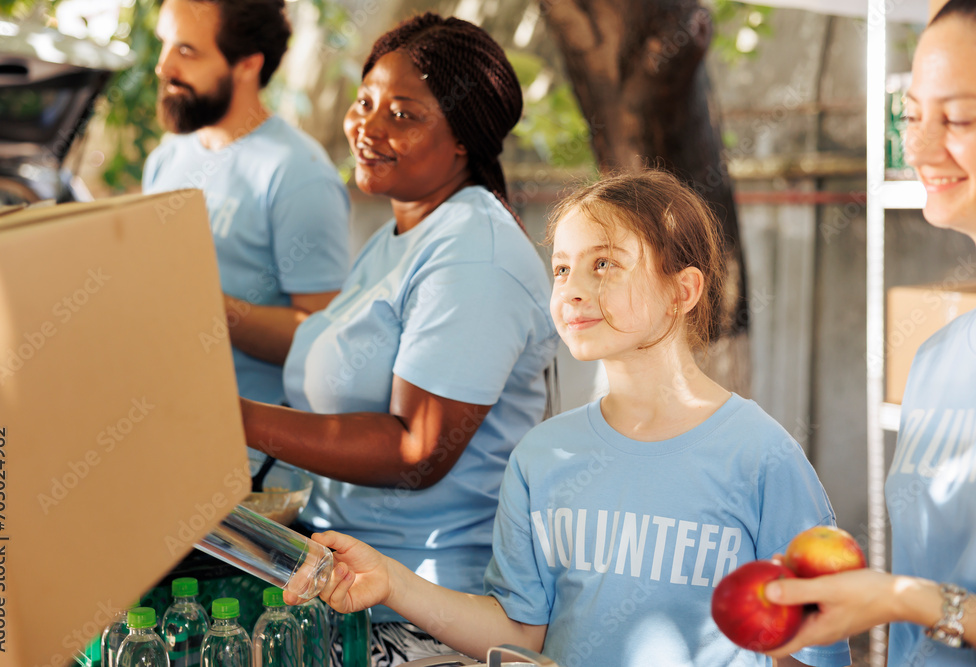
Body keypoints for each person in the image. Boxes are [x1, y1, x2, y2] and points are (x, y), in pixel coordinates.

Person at [306, 169, 852, 667]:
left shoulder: (762, 456)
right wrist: (392, 582)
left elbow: (814, 654)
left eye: (604, 264)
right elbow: (521, 635)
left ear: (682, 290)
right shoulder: (541, 458)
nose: (571, 289)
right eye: (562, 268)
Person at [240, 13, 558, 664]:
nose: (368, 127)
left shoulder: (474, 254)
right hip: (347, 583)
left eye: (405, 114)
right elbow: (326, 343)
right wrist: (196, 315)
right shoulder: (404, 234)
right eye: (365, 103)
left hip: (425, 618)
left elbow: (416, 448)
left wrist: (229, 420)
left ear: (463, 138)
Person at [761, 2, 976, 664]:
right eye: (912, 114)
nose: (919, 146)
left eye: (960, 116)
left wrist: (901, 597)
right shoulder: (940, 356)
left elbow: (918, 596)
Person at [143, 0, 350, 406]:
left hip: (246, 447)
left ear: (247, 65)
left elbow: (321, 338)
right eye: (164, 44)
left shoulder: (299, 176)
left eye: (187, 51)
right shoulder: (167, 157)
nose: (163, 67)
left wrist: (201, 304)